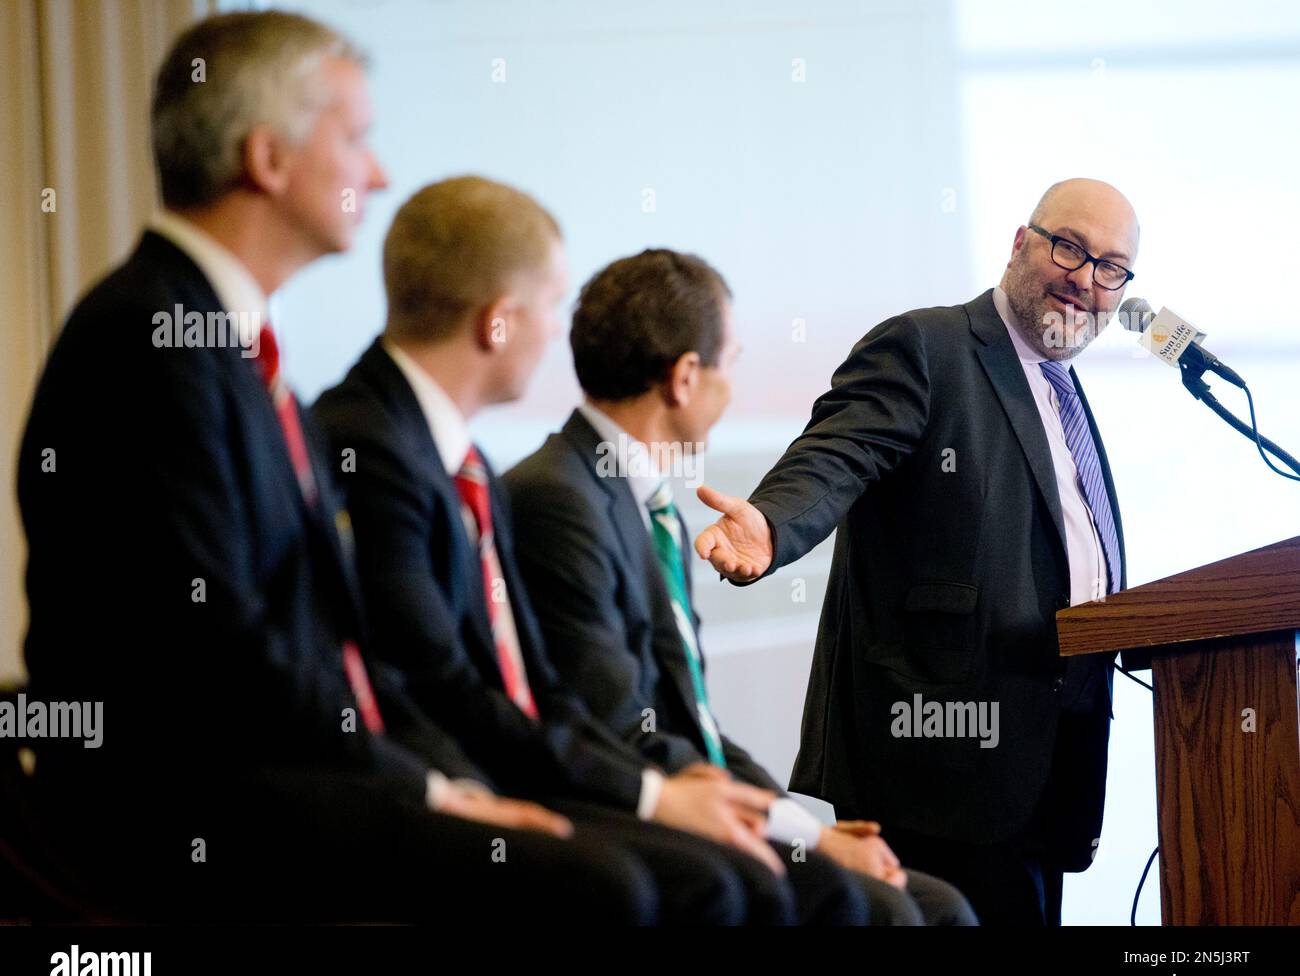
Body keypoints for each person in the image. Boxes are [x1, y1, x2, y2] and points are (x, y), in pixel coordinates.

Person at [15, 11, 671, 926]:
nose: (380, 172)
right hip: (189, 810)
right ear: (268, 160)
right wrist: (426, 787)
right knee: (613, 890)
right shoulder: (147, 341)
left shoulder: (237, 354)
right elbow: (220, 655)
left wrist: (430, 773)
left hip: (286, 777)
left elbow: (339, 651)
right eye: (356, 137)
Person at [314, 177, 869, 925]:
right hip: (435, 788)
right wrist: (663, 798)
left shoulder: (461, 455)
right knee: (731, 885)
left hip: (524, 767)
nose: (558, 335)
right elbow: (444, 684)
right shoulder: (385, 447)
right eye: (550, 307)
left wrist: (779, 816)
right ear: (498, 323)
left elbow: (542, 686)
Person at [692, 179, 1137, 925]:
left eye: (1111, 267)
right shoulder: (929, 346)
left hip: (1050, 764)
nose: (1086, 279)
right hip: (937, 765)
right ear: (1020, 242)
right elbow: (839, 455)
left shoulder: (1066, 392)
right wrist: (770, 523)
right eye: (1070, 247)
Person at [504, 248, 977, 926]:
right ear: (686, 376)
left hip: (691, 794)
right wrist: (805, 836)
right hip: (631, 812)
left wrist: (809, 828)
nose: (734, 386)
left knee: (940, 906)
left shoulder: (636, 500)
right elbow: (618, 726)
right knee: (888, 910)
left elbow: (695, 727)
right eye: (732, 361)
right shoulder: (559, 498)